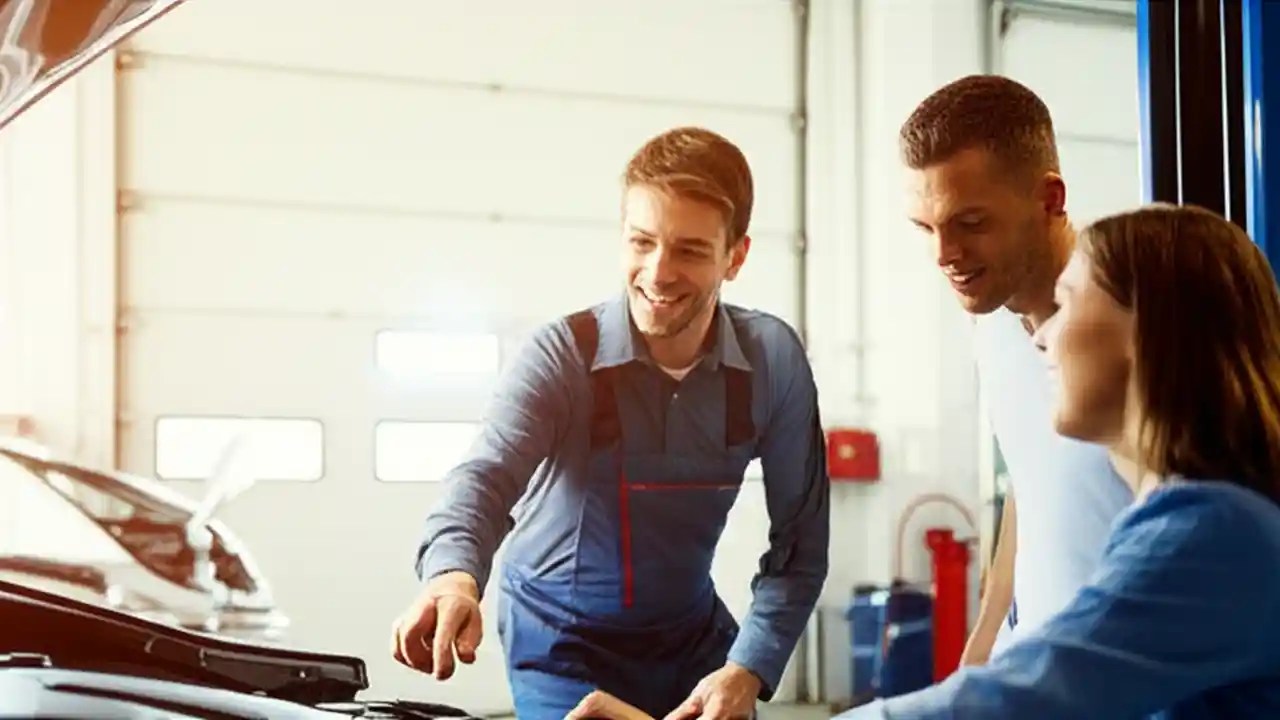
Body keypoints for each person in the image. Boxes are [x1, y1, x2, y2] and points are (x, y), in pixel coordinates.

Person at [565, 204, 1280, 719]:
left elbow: (1027, 697)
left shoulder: (1211, 534)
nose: (1041, 341)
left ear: (1147, 333)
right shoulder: (1194, 525)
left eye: (1065, 306)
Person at [388, 126, 830, 720]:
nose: (658, 272)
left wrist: (747, 668)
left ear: (736, 256)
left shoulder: (772, 362)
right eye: (641, 242)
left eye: (691, 250)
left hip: (690, 643)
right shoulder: (564, 354)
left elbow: (799, 546)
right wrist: (453, 577)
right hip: (558, 645)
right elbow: (484, 478)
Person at [898, 74, 1133, 663]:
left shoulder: (1137, 324)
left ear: (1049, 199)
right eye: (926, 228)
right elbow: (1027, 497)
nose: (944, 255)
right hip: (1033, 676)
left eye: (970, 223)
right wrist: (973, 668)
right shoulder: (993, 329)